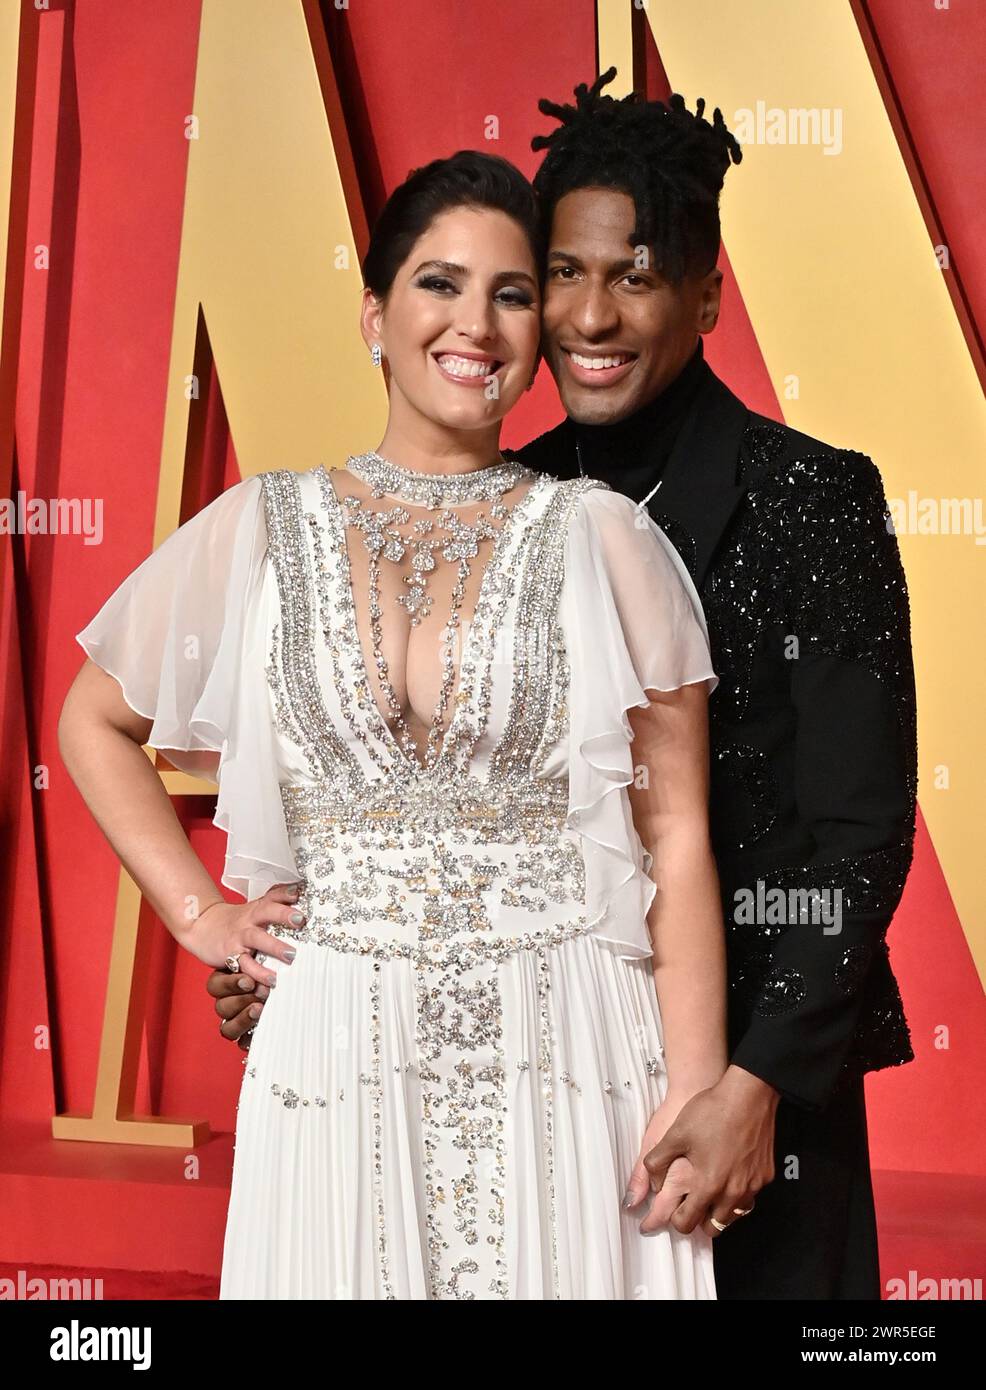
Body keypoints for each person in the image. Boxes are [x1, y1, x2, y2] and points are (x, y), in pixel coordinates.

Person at [213, 71, 917, 1302]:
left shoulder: (815, 498)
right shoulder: (511, 505)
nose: (591, 315)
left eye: (634, 275)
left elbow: (856, 839)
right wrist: (299, 940)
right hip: (539, 1083)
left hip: (756, 1088)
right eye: (564, 276)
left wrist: (751, 1088)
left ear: (703, 295)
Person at [59, 149, 738, 1300]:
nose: (474, 321)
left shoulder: (606, 540)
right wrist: (204, 913)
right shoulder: (263, 526)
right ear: (374, 312)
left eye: (511, 292)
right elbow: (91, 720)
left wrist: (693, 1085)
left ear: (535, 334)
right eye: (439, 283)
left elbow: (673, 838)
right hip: (335, 1045)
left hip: (567, 1035)